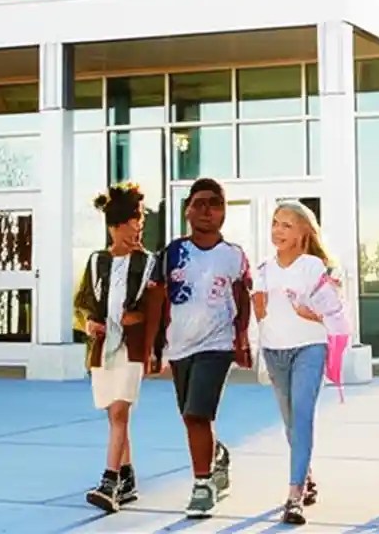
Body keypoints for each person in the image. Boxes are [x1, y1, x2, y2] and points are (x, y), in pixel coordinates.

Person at [150, 178, 253, 519]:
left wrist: (242, 339)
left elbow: (243, 299)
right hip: (180, 347)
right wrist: (154, 348)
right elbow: (158, 302)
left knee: (198, 413)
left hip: (217, 345)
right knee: (191, 416)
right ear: (187, 210)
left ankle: (202, 484)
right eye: (200, 203)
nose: (207, 210)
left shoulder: (234, 256)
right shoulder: (171, 254)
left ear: (224, 211)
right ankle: (217, 456)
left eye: (215, 203)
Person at [72, 182, 167, 514]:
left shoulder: (149, 263)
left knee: (118, 413)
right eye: (133, 220)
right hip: (102, 348)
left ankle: (109, 482)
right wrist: (88, 322)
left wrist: (138, 319)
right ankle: (127, 479)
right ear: (115, 226)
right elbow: (82, 303)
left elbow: (158, 309)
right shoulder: (97, 262)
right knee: (113, 415)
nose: (138, 225)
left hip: (131, 348)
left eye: (140, 219)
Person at [251, 200, 345, 526]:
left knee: (302, 415)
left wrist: (312, 310)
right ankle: (306, 476)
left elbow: (331, 310)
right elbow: (260, 311)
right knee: (290, 422)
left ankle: (294, 496)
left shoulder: (315, 268)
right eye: (275, 223)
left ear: (303, 232)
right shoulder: (263, 269)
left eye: (286, 225)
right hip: (275, 351)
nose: (278, 230)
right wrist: (259, 301)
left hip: (309, 347)